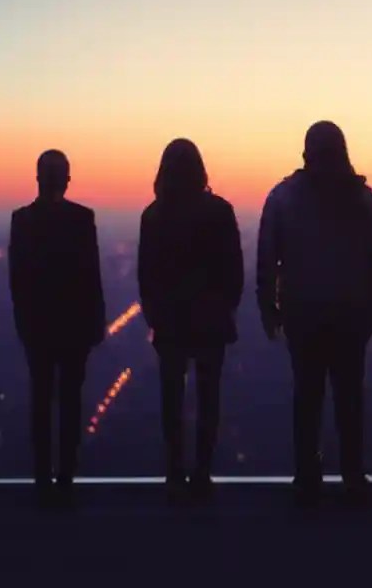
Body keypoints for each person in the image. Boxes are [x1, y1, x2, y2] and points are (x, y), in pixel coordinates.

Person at [256, 121, 372, 507]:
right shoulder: (362, 198)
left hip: (304, 314)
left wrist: (269, 308)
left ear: (306, 152)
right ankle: (351, 474)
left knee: (307, 396)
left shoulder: (283, 197)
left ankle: (307, 475)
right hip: (351, 314)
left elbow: (268, 259)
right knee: (349, 397)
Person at [138, 139, 243, 503]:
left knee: (172, 398)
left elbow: (146, 275)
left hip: (170, 320)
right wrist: (225, 307)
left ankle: (173, 471)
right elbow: (234, 271)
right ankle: (202, 471)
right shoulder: (219, 211)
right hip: (211, 319)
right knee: (208, 397)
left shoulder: (153, 216)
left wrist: (155, 314)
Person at [8, 150, 106, 509]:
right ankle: (65, 474)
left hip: (38, 325)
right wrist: (96, 322)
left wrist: (23, 322)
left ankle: (42, 476)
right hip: (74, 325)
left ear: (37, 178)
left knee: (41, 401)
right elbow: (91, 275)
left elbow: (17, 279)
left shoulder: (22, 220)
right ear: (67, 179)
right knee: (70, 402)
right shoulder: (83, 219)